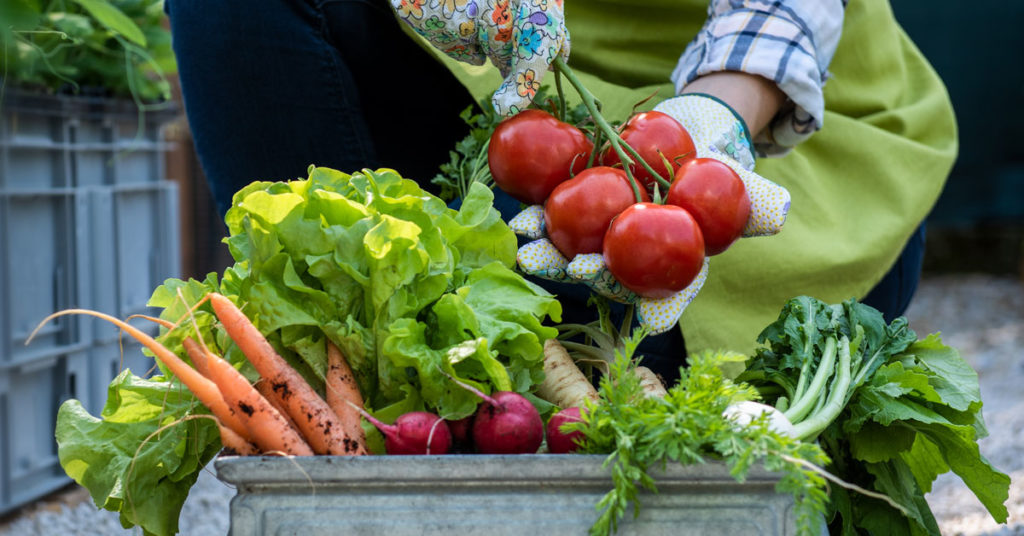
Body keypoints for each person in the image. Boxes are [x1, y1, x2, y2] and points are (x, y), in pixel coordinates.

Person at [164, 0, 955, 383]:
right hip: (509, 95)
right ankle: (333, 391)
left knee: (555, 308)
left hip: (770, 112)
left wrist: (715, 119)